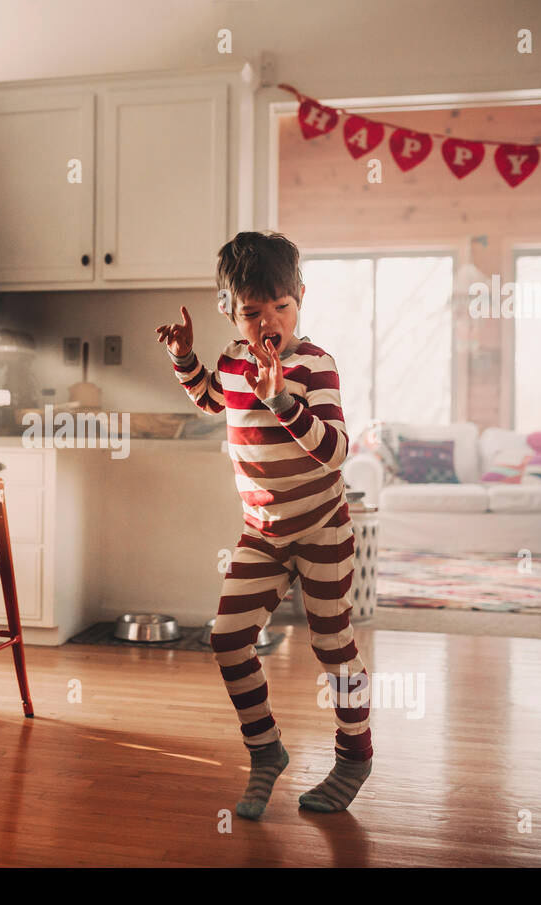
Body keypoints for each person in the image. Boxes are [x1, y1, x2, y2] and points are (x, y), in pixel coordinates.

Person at [154, 231, 372, 818]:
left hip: (323, 527)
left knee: (332, 644)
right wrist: (184, 361)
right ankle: (266, 750)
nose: (268, 321)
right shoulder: (232, 360)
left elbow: (335, 451)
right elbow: (213, 399)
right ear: (230, 309)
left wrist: (281, 401)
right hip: (263, 533)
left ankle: (354, 755)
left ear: (300, 297)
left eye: (281, 306)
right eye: (252, 311)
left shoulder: (312, 364)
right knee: (227, 640)